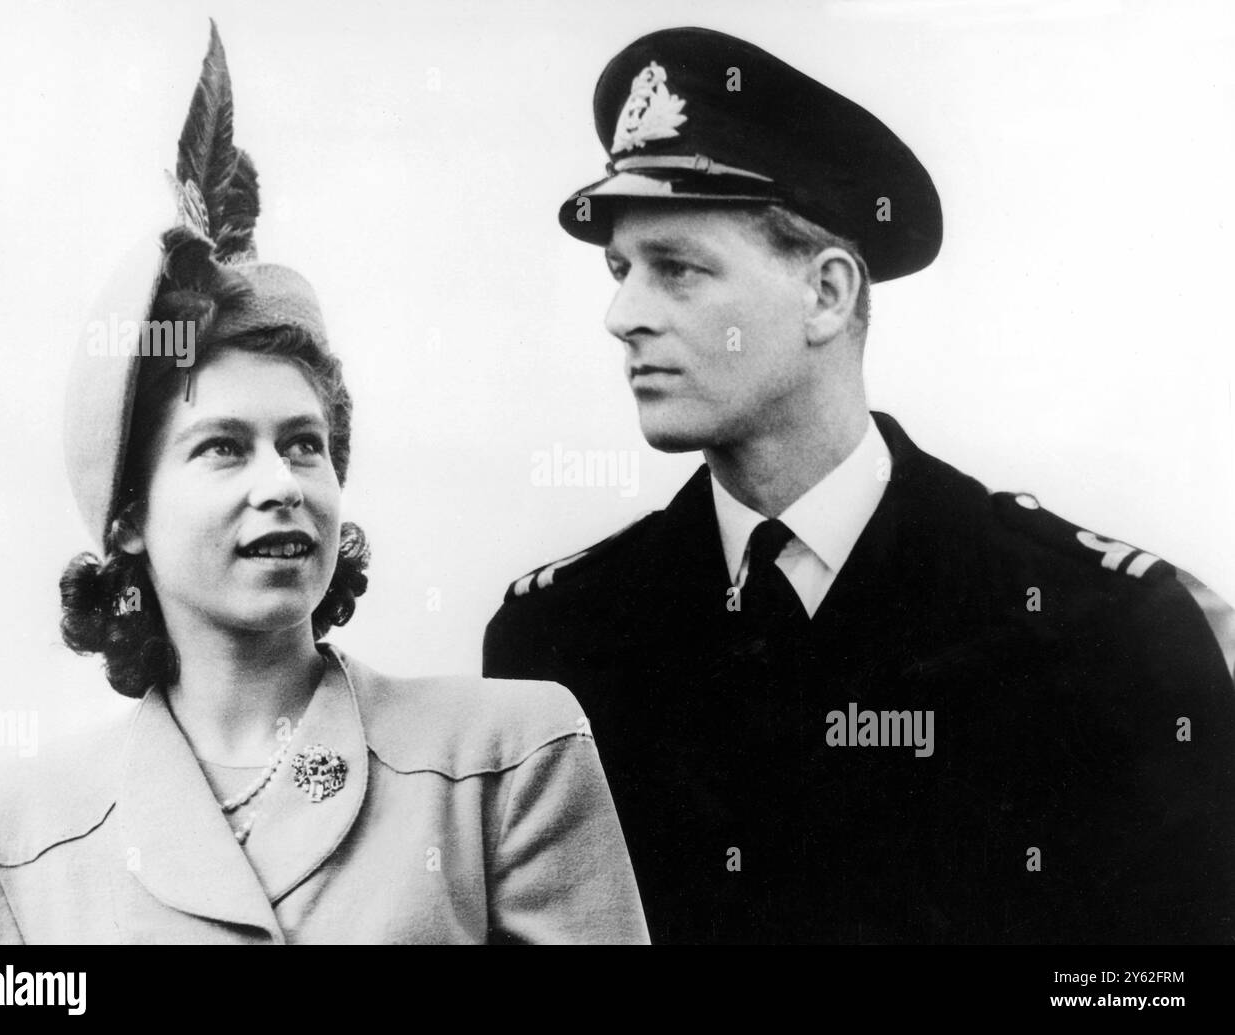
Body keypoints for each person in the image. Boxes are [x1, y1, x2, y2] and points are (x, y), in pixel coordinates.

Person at [483, 26, 1235, 944]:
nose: (622, 314)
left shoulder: (1097, 626)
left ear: (828, 295)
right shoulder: (562, 639)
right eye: (620, 270)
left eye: (676, 269)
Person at [0, 23, 647, 946]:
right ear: (128, 522)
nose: (282, 483)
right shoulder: (2, 846)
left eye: (305, 445)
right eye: (223, 448)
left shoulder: (504, 759)